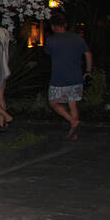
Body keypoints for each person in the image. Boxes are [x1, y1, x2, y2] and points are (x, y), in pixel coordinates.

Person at [44, 11, 92, 140]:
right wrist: (87, 71)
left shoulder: (51, 40)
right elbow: (88, 54)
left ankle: (72, 121)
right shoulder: (77, 38)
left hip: (59, 78)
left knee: (53, 102)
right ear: (65, 24)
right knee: (72, 103)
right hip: (76, 77)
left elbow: (47, 53)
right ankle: (74, 133)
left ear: (53, 26)